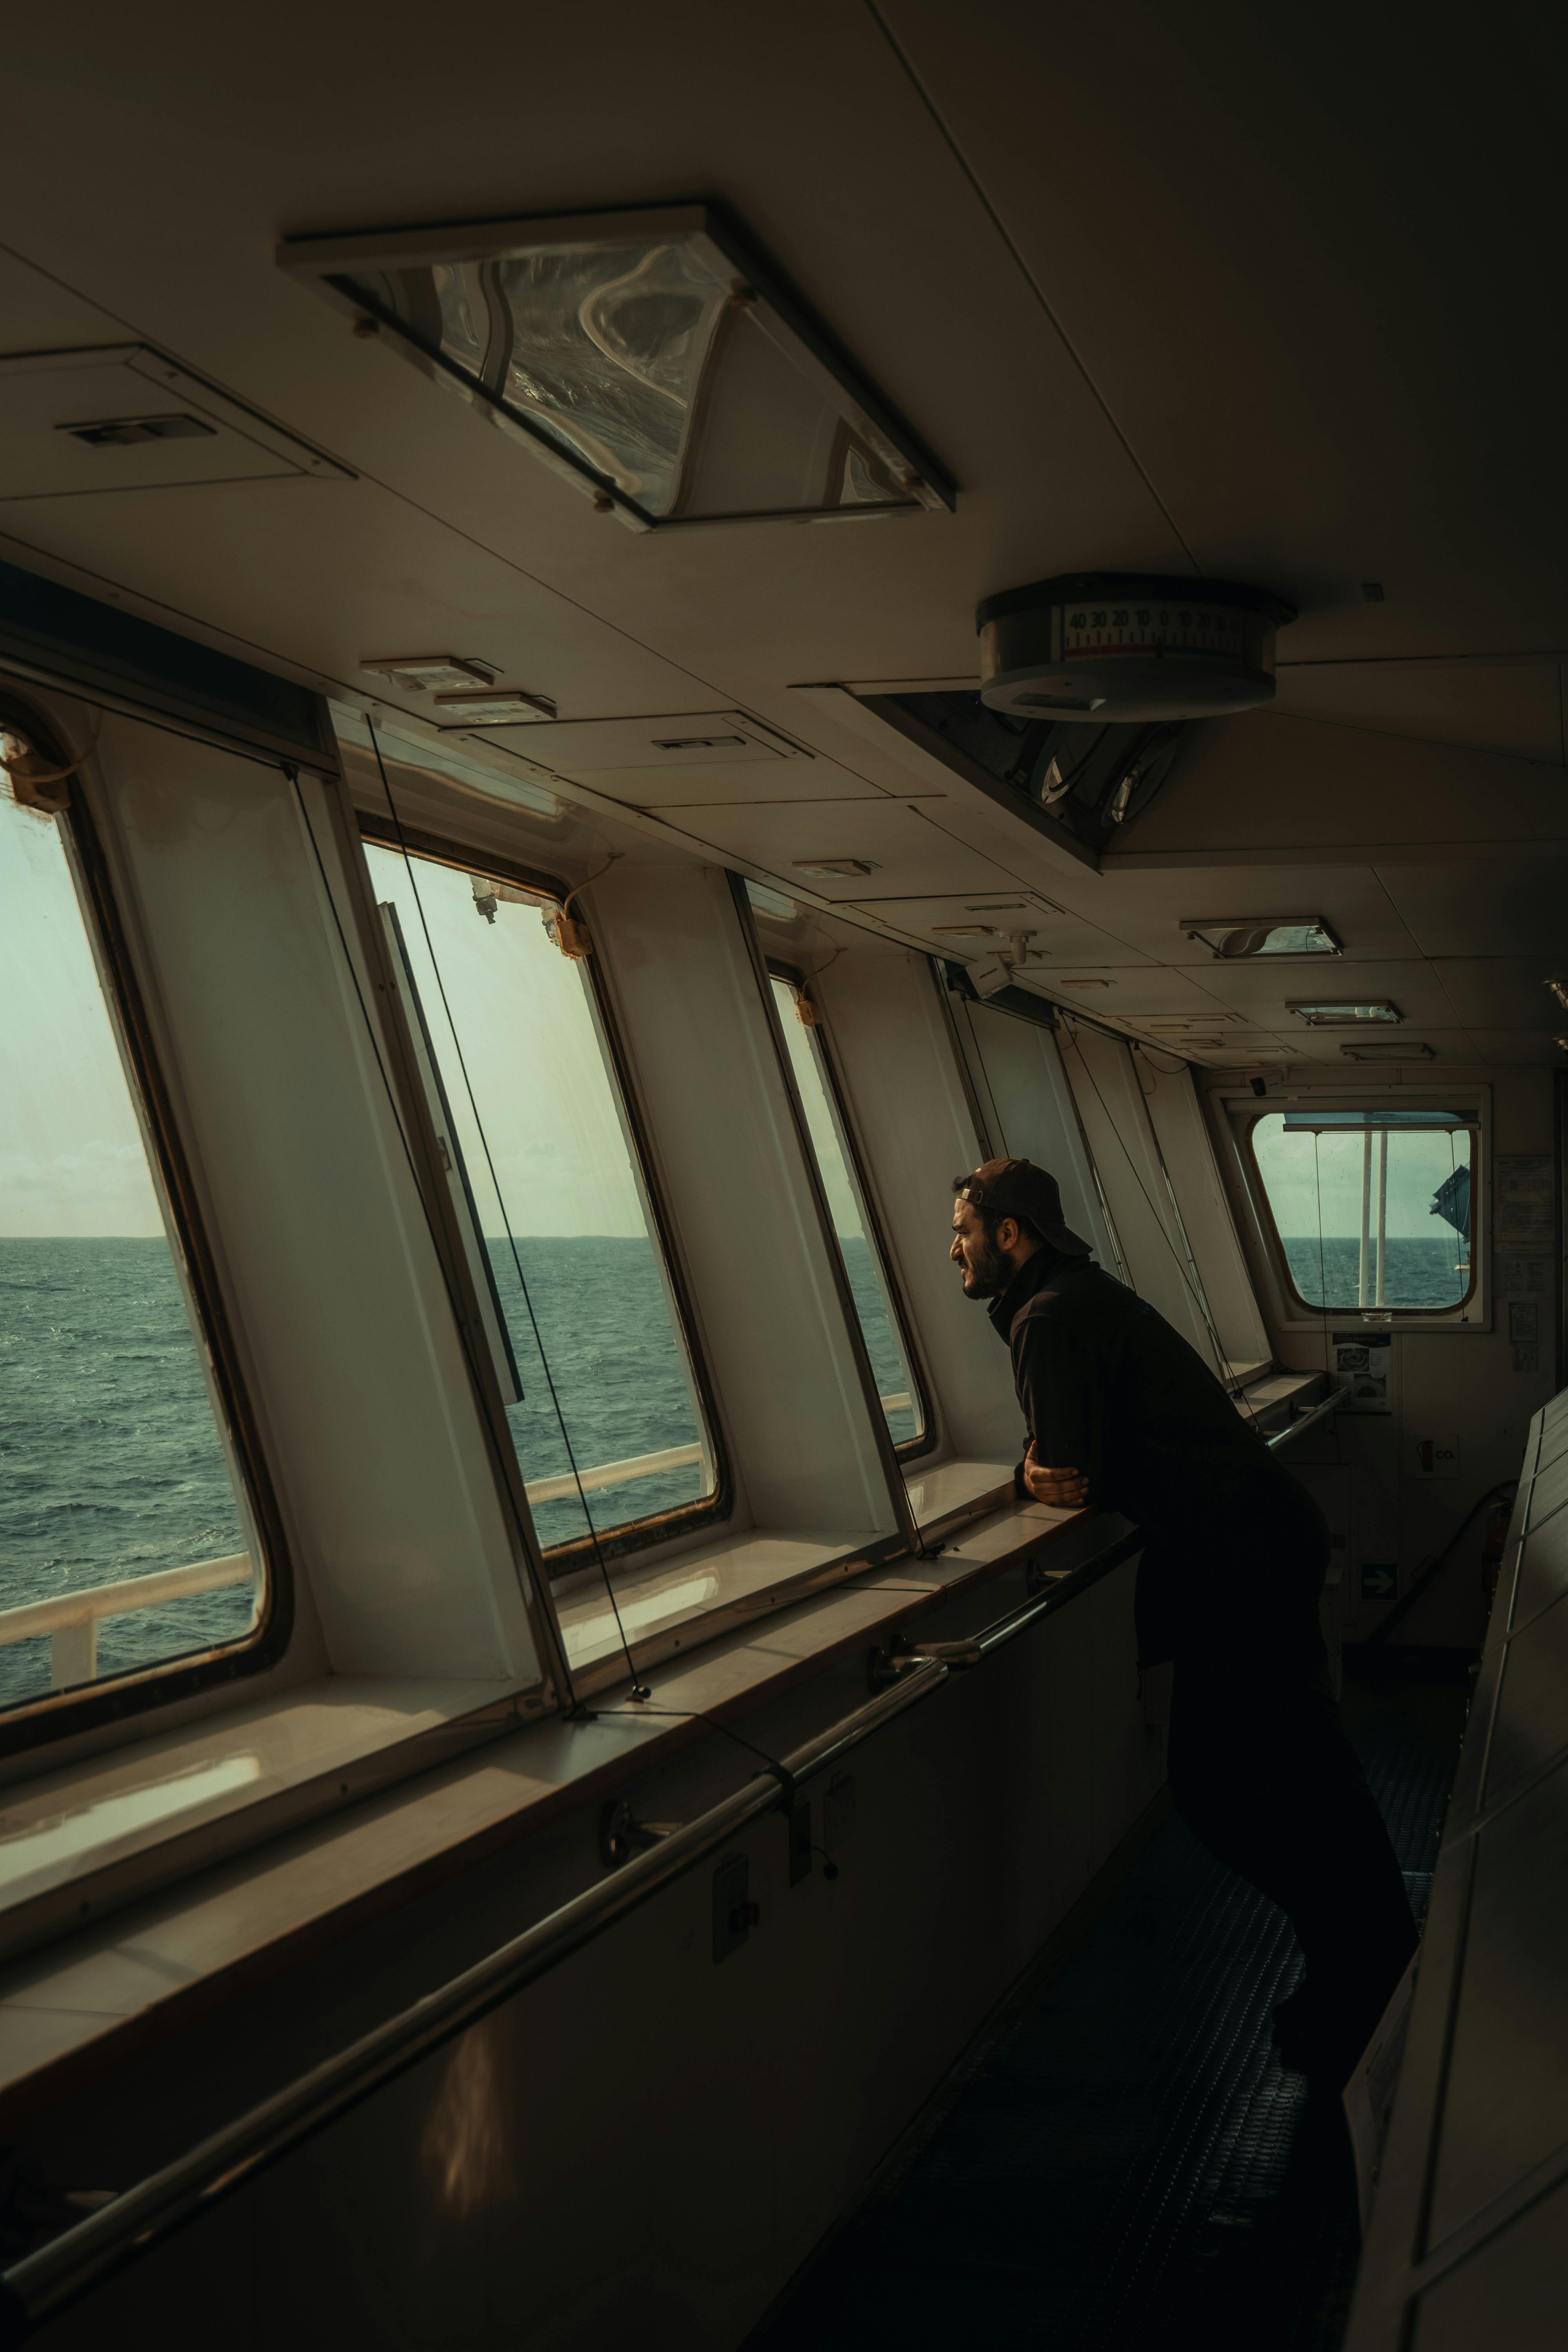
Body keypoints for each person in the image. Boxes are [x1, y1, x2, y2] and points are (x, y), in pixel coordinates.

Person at [950, 1155, 1416, 2082]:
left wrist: (1018, 1476)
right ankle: (1368, 1967)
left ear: (1010, 1235)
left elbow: (1063, 1469)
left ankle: (1363, 1971)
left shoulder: (1045, 1318)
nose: (951, 1250)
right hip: (1252, 1548)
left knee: (1222, 1792)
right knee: (1307, 1776)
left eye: (961, 1232)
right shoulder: (1081, 1296)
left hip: (1235, 1565)